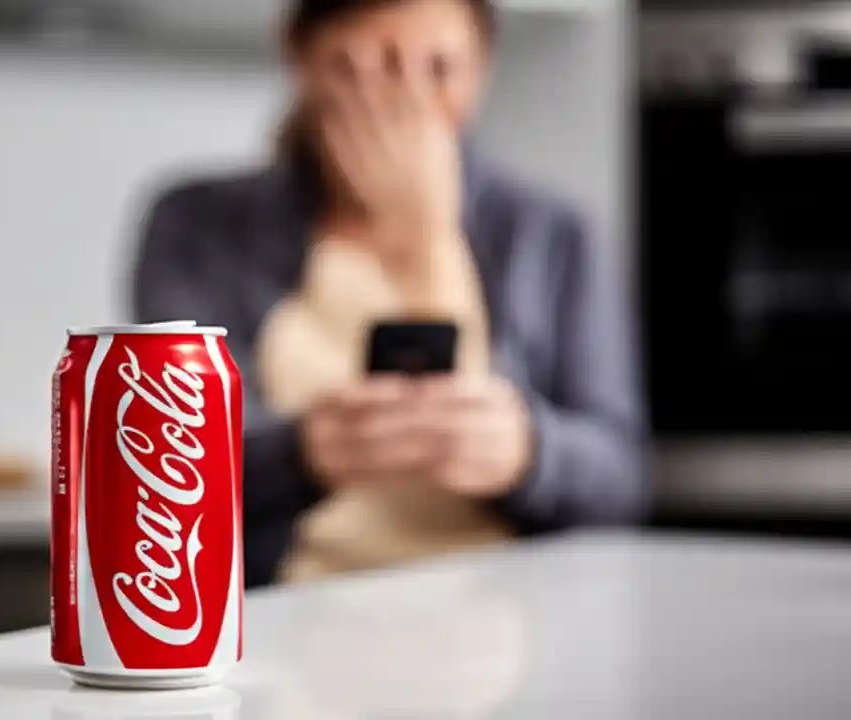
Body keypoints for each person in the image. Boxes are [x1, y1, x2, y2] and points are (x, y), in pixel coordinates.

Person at [131, 0, 646, 587]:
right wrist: (304, 454)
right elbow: (167, 478)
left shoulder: (553, 235)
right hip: (284, 624)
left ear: (483, 68)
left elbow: (620, 481)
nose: (399, 103)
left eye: (438, 70)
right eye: (360, 69)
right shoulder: (196, 226)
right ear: (298, 56)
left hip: (510, 621)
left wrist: (530, 454)